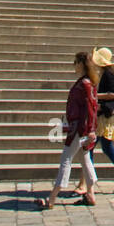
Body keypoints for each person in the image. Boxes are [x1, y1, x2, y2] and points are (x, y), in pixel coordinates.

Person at [37, 51, 98, 209]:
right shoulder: (86, 82)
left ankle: (52, 198)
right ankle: (90, 193)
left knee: (66, 159)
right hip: (79, 126)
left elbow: (91, 108)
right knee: (84, 159)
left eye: (76, 62)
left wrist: (90, 129)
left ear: (81, 64)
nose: (74, 65)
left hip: (79, 128)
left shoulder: (84, 83)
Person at [77, 47, 114, 195]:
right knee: (106, 147)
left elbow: (113, 94)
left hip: (103, 118)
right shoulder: (104, 73)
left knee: (88, 148)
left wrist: (94, 95)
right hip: (104, 116)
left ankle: (84, 184)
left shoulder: (108, 75)